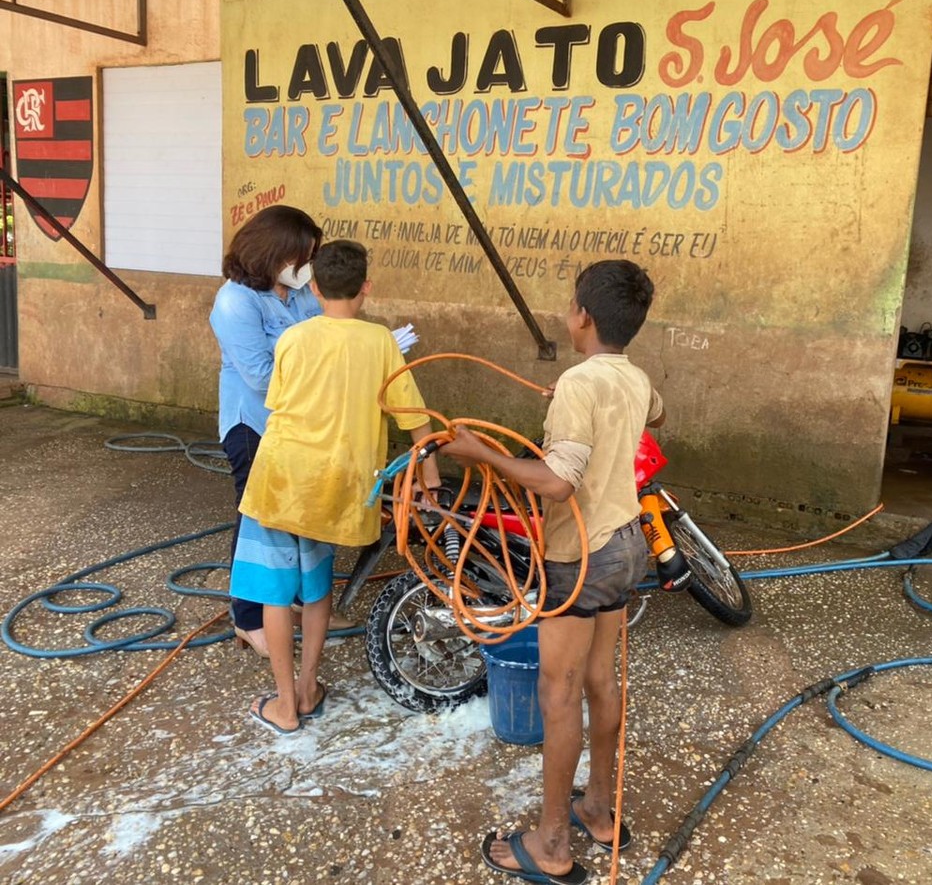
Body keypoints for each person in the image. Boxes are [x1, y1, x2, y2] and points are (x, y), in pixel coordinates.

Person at [442, 259, 664, 884]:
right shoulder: (633, 376)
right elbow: (656, 415)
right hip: (626, 547)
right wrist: (582, 413)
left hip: (582, 556)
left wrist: (477, 451)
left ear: (583, 316)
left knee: (558, 693)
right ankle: (598, 809)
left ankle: (552, 845)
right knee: (601, 679)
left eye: (570, 304)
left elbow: (558, 484)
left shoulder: (579, 382)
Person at [232, 238, 441, 733]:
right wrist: (429, 477)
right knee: (318, 590)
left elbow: (278, 399)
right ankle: (308, 688)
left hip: (281, 482)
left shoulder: (293, 339)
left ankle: (284, 706)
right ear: (365, 288)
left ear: (316, 287)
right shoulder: (382, 343)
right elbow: (415, 417)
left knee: (275, 596)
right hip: (337, 487)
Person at [209, 205, 352, 656]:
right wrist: (324, 375)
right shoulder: (235, 301)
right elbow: (260, 376)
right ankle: (248, 617)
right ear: (274, 253)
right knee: (258, 519)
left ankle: (290, 599)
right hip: (253, 425)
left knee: (299, 511)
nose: (306, 267)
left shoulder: (300, 295)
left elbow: (331, 335)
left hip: (300, 424)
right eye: (301, 257)